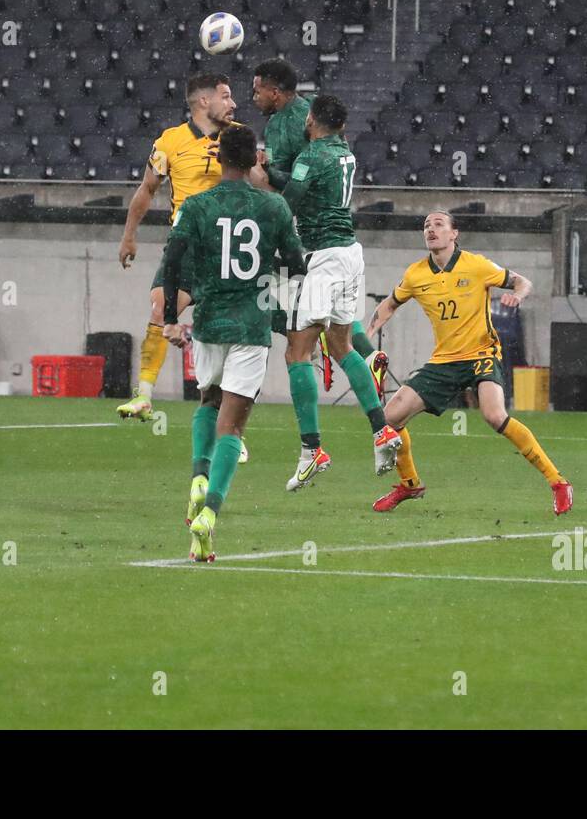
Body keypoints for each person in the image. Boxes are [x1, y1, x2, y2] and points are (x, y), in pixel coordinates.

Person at [161, 125, 307, 563]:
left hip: (208, 323)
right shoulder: (273, 206)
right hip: (250, 326)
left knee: (208, 401)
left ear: (220, 157)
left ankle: (198, 477)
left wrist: (170, 316)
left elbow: (173, 259)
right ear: (254, 160)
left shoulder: (196, 204)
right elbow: (296, 266)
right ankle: (210, 514)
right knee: (233, 426)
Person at [365, 211, 573, 516]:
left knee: (493, 414)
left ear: (454, 234)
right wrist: (364, 337)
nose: (431, 229)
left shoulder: (476, 265)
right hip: (444, 361)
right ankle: (409, 485)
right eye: (426, 226)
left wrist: (518, 295)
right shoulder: (415, 275)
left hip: (481, 354)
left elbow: (522, 281)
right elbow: (389, 305)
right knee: (389, 419)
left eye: (438, 225)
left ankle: (558, 482)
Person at [259, 94, 401, 490]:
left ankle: (311, 451)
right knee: (342, 347)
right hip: (351, 254)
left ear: (312, 119)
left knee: (297, 351)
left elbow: (290, 204)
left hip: (322, 258)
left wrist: (265, 191)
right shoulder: (343, 153)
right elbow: (311, 189)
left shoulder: (310, 155)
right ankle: (382, 430)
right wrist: (274, 172)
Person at [249, 57, 387, 394]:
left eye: (257, 91)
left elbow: (280, 188)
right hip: (342, 234)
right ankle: (367, 357)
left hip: (309, 230)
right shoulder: (315, 110)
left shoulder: (280, 127)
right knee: (337, 320)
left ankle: (311, 348)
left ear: (275, 92)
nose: (253, 97)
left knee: (259, 288)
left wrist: (255, 170)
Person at [116, 74, 239, 421]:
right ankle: (144, 396)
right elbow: (147, 189)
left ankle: (232, 424)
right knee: (160, 308)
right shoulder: (170, 142)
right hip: (185, 244)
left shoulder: (238, 136)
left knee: (225, 332)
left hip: (227, 246)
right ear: (204, 102)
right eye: (226, 97)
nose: (232, 104)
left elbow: (261, 184)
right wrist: (129, 235)